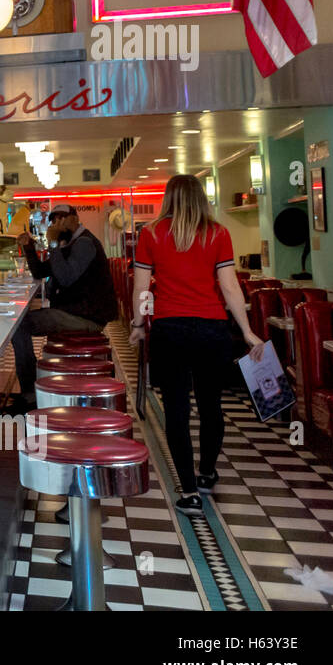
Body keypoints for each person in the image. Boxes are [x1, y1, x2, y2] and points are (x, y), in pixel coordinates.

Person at [129, 175, 264, 516]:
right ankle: (206, 473)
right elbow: (230, 287)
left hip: (169, 330)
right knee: (210, 405)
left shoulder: (152, 233)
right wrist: (246, 331)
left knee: (176, 409)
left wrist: (139, 324)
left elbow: (143, 289)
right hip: (212, 329)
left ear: (168, 198)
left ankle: (189, 492)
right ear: (201, 197)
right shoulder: (217, 233)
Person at [9, 203, 119, 409]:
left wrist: (52, 244)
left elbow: (66, 277)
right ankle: (31, 390)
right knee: (20, 324)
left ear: (75, 218)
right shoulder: (69, 243)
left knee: (19, 326)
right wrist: (29, 247)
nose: (57, 223)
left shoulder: (84, 243)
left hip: (86, 317)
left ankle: (30, 395)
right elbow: (41, 272)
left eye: (62, 218)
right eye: (53, 219)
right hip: (74, 312)